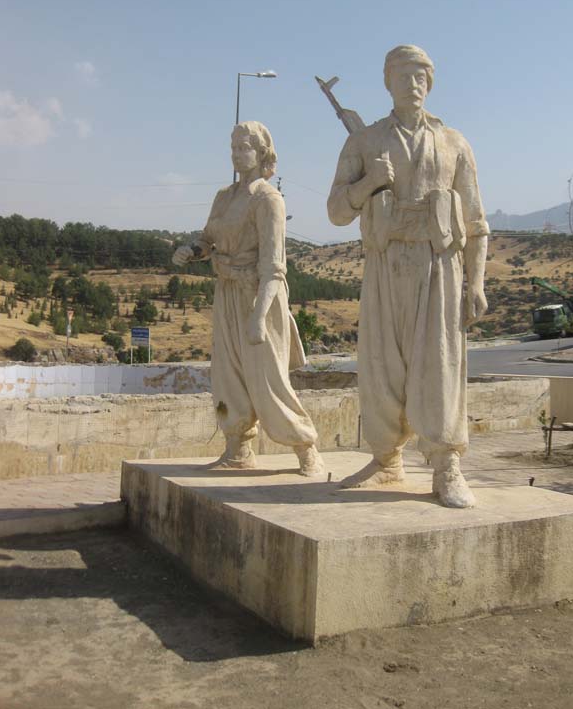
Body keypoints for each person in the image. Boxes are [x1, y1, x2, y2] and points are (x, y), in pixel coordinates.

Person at [327, 45, 489, 507]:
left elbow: (476, 222)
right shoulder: (365, 140)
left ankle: (446, 464)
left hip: (439, 265)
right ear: (387, 82)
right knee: (380, 366)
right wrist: (369, 182)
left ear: (430, 83)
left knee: (439, 364)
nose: (411, 84)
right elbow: (337, 210)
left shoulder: (454, 142)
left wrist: (475, 282)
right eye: (402, 76)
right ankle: (386, 460)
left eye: (420, 76)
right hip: (385, 263)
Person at [173, 121, 324, 477]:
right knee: (228, 375)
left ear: (261, 153)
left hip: (259, 295)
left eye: (244, 147)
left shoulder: (268, 199)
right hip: (226, 293)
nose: (237, 153)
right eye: (233, 147)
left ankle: (306, 447)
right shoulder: (224, 197)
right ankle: (238, 448)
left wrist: (259, 314)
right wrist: (190, 250)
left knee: (267, 378)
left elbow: (275, 267)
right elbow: (208, 238)